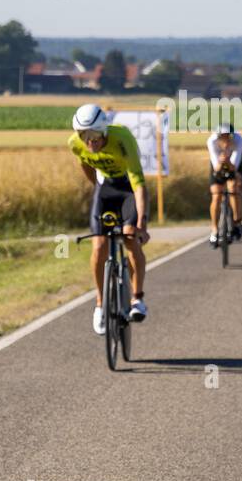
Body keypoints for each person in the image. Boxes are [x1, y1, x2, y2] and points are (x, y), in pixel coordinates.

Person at [67, 103, 150, 334]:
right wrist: (97, 188)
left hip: (128, 189)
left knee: (130, 239)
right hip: (105, 189)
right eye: (84, 135)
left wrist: (141, 223)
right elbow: (85, 164)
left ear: (104, 131)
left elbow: (138, 183)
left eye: (94, 135)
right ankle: (100, 305)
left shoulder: (122, 138)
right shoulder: (75, 144)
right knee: (99, 246)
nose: (90, 140)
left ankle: (137, 299)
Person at [207, 123, 242, 246]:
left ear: (232, 136)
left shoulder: (239, 141)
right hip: (218, 164)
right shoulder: (212, 141)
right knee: (216, 194)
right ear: (218, 137)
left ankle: (236, 222)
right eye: (222, 137)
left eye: (227, 136)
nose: (225, 139)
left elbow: (234, 166)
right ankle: (214, 230)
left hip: (235, 164)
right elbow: (216, 167)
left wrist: (228, 161)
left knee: (234, 188)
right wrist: (221, 161)